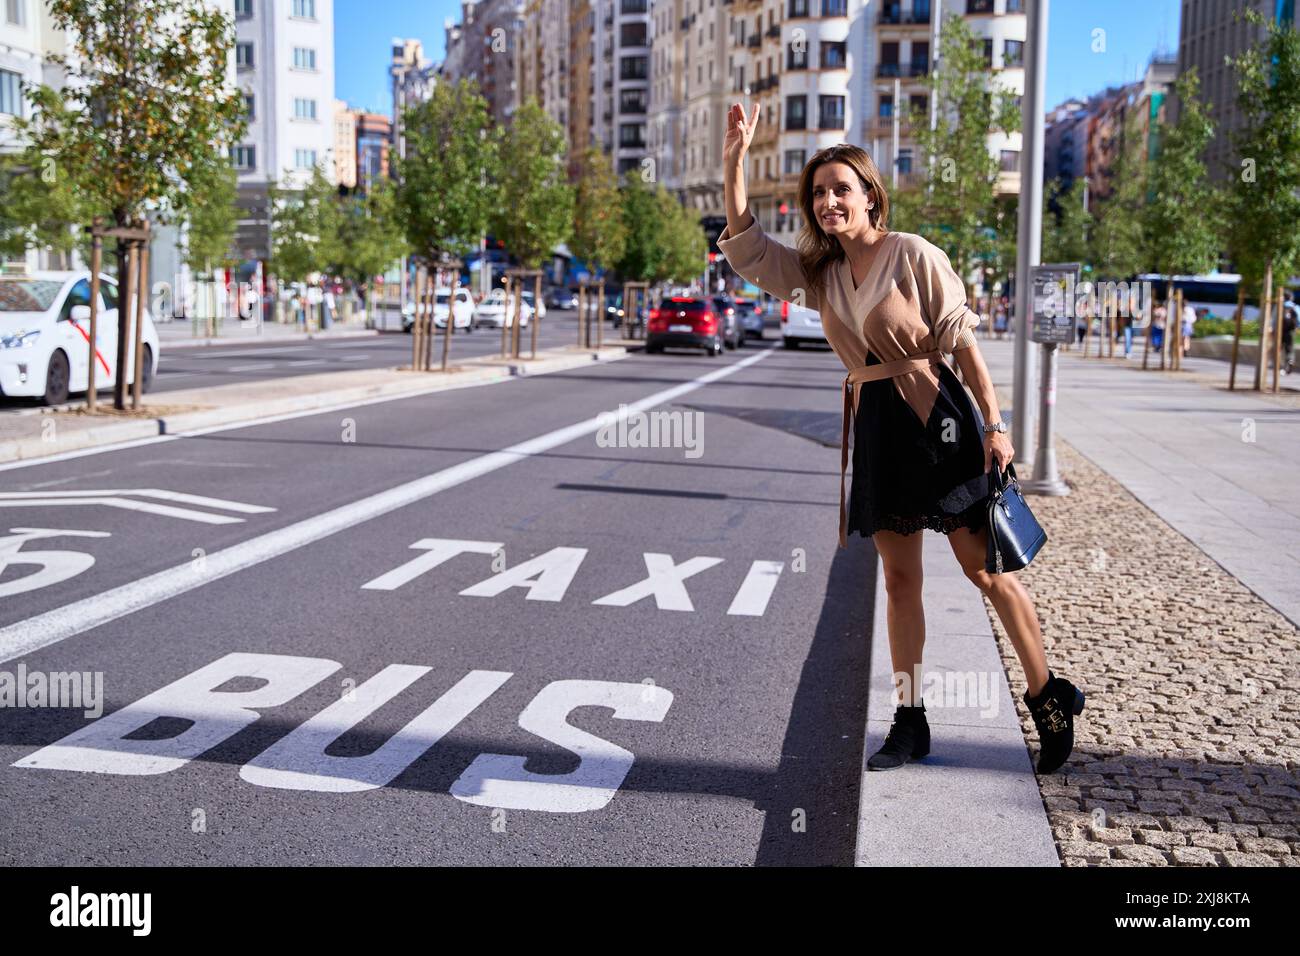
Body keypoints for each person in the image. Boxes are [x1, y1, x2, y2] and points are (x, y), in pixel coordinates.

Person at [717, 103, 1085, 775]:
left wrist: (996, 427)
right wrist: (735, 160)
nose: (828, 201)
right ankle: (910, 722)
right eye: (818, 193)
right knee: (899, 578)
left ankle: (1047, 694)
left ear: (870, 198)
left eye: (840, 190)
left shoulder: (912, 253)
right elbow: (748, 248)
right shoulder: (821, 272)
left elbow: (963, 345)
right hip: (879, 428)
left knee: (985, 571)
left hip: (937, 418)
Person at [1281, 291, 1297, 375]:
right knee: (1289, 350)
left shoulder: (1282, 305)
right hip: (1291, 331)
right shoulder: (1295, 306)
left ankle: (1282, 367)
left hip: (1282, 331)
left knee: (1280, 349)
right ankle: (1289, 363)